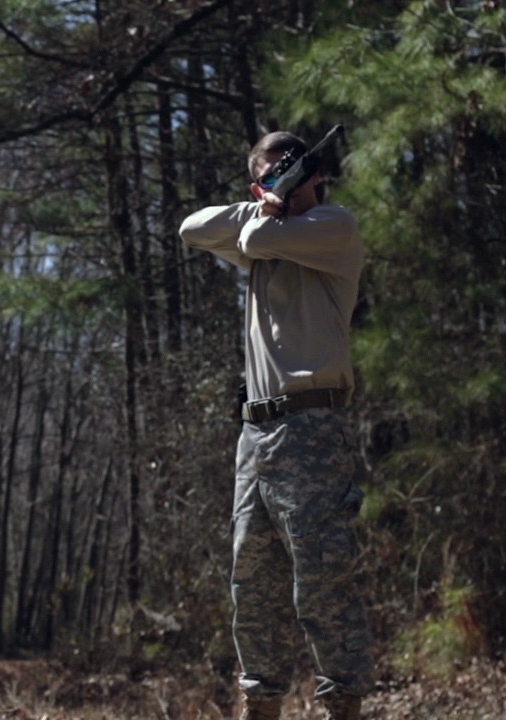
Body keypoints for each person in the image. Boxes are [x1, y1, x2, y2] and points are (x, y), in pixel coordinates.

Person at [178, 131, 375, 720]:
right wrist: (263, 199)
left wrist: (276, 205)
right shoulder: (259, 232)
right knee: (252, 578)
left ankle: (343, 706)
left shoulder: (332, 227)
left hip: (312, 426)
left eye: (294, 170)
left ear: (314, 174)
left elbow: (260, 237)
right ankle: (260, 705)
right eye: (272, 174)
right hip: (255, 434)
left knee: (322, 577)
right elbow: (192, 228)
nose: (288, 182)